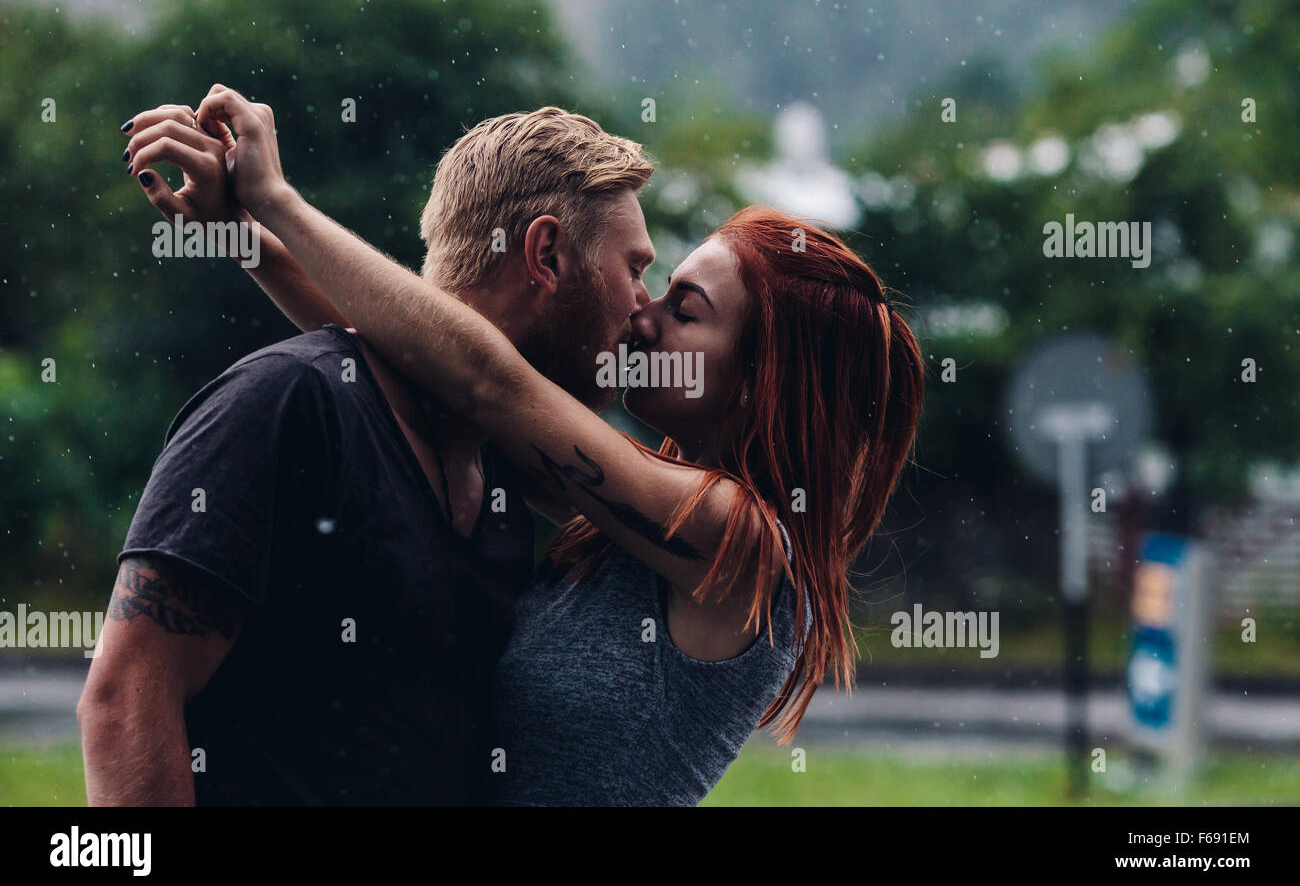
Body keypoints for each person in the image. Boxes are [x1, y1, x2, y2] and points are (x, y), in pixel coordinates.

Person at [187, 84, 926, 805]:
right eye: (653, 284)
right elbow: (433, 370)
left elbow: (488, 381)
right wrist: (246, 237)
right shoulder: (632, 521)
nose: (645, 317)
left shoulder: (737, 542)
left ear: (757, 380)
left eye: (684, 310)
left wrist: (276, 201)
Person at [77, 101, 657, 805]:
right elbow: (125, 700)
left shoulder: (507, 469)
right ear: (546, 255)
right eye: (634, 268)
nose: (644, 305)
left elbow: (454, 374)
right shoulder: (290, 402)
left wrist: (252, 235)